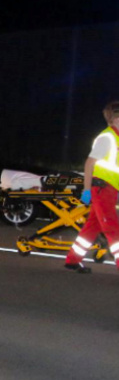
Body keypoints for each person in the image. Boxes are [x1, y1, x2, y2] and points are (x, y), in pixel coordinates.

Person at [64, 100, 119, 274]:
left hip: (109, 190)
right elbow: (89, 163)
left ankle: (73, 259)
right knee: (112, 226)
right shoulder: (107, 138)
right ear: (115, 118)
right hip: (101, 189)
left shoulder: (116, 138)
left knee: (93, 226)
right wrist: (86, 190)